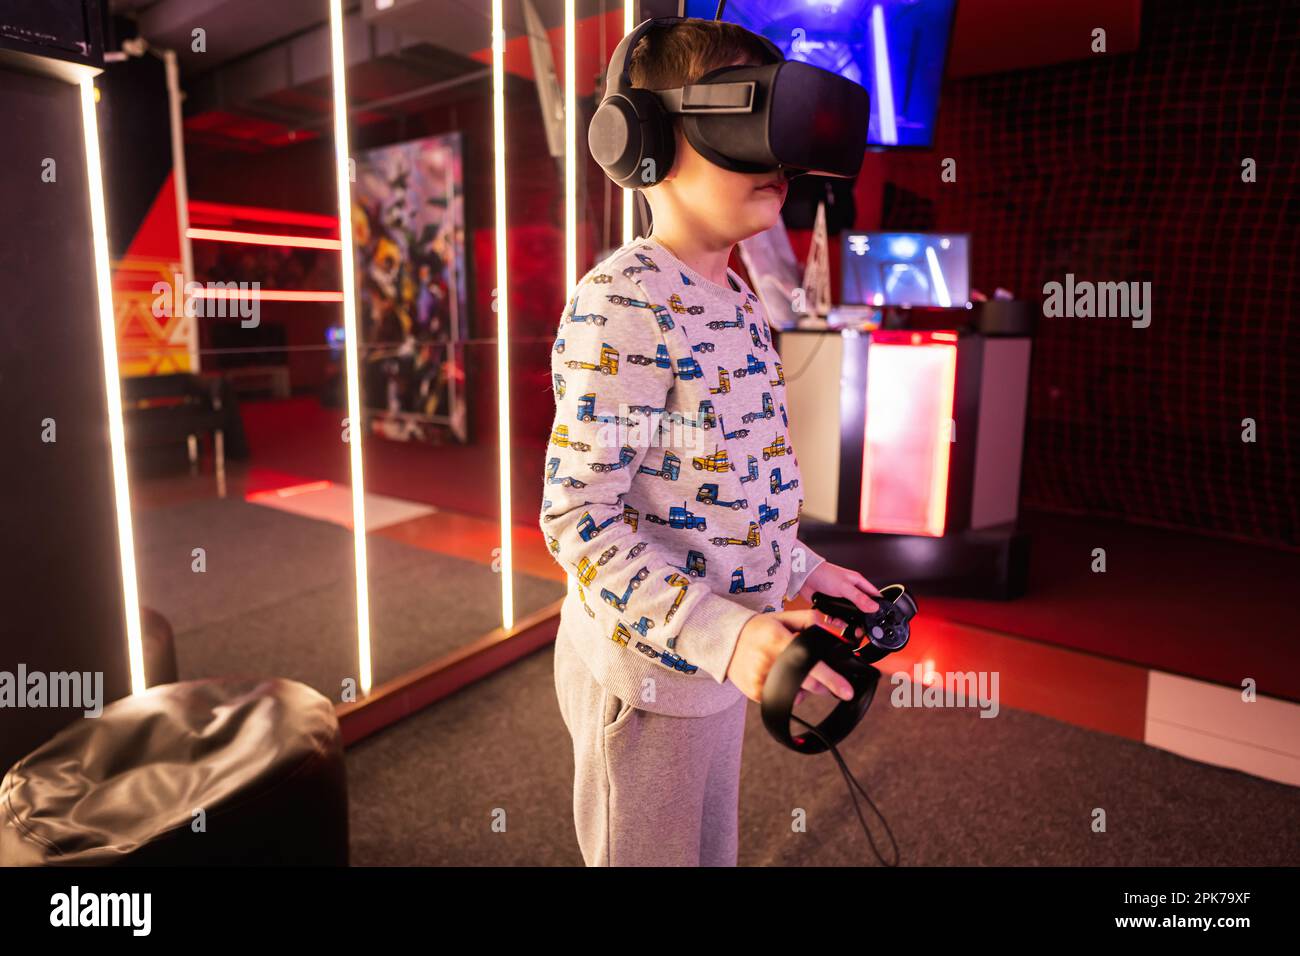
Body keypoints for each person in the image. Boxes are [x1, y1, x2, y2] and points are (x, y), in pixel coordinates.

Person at [542, 17, 881, 867]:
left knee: (710, 852)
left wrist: (802, 569)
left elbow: (737, 479)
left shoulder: (735, 294)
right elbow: (578, 515)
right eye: (747, 118)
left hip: (726, 657)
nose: (777, 157)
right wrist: (719, 635)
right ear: (645, 140)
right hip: (652, 675)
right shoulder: (623, 301)